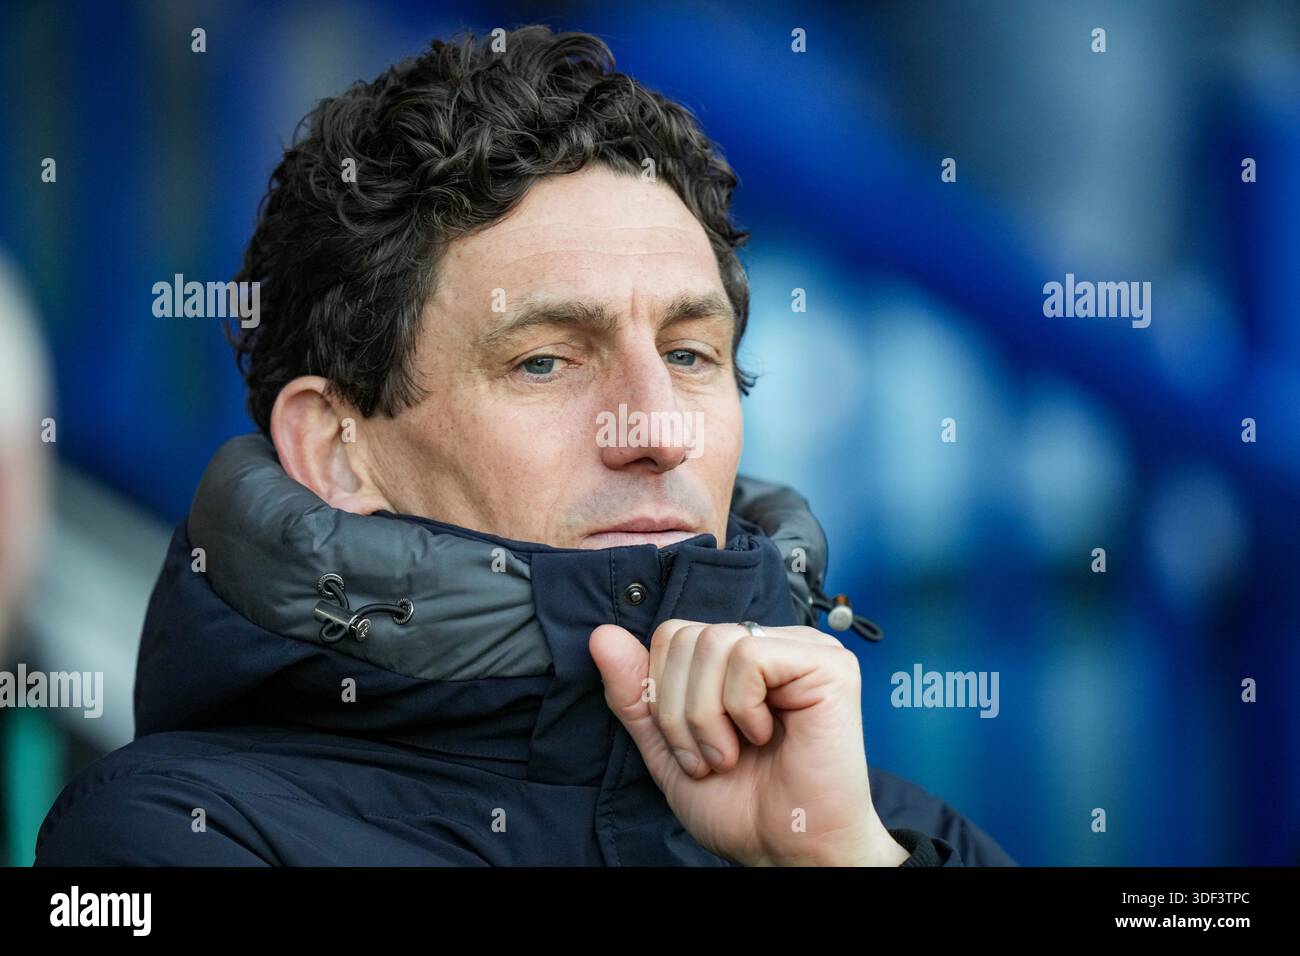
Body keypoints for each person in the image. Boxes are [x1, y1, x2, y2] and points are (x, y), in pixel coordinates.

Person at [34, 25, 1013, 866]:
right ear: (337, 450)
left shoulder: (889, 829)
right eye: (546, 360)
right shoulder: (171, 832)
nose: (656, 427)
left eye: (688, 352)